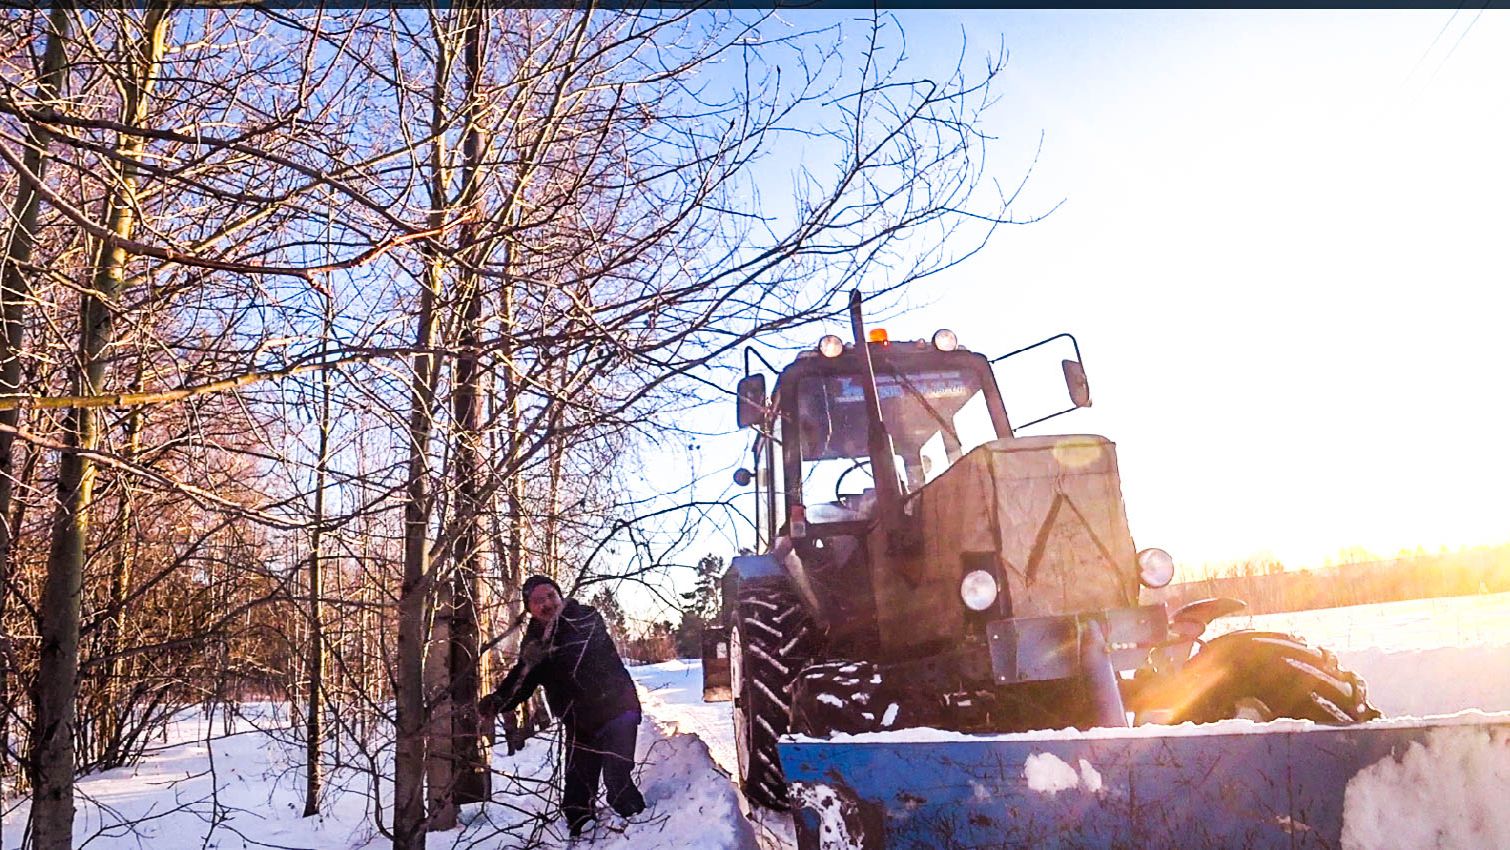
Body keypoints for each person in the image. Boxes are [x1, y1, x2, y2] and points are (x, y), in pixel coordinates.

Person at [480, 575, 646, 837]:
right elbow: (523, 680)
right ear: (529, 608)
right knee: (576, 795)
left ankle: (645, 833)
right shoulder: (534, 643)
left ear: (560, 596)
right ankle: (582, 831)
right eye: (538, 600)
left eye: (551, 596)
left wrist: (549, 650)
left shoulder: (586, 618)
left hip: (617, 709)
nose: (547, 603)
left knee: (617, 783)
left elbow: (587, 651)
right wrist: (498, 701)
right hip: (580, 721)